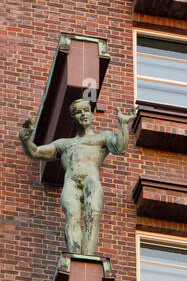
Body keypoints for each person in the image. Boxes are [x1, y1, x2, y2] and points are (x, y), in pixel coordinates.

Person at [19, 98, 135, 256]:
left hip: (91, 179)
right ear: (73, 117)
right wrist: (26, 140)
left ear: (92, 114)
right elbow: (36, 152)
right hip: (71, 181)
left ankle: (87, 257)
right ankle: (75, 255)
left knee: (93, 213)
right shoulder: (64, 144)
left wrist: (122, 125)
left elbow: (120, 148)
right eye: (79, 112)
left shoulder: (102, 137)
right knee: (72, 215)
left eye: (86, 111)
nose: (83, 115)